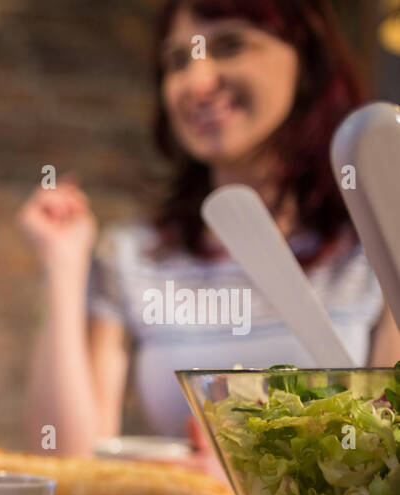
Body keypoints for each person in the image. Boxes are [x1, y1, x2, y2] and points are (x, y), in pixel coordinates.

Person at [20, 0, 400, 459]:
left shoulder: (369, 247)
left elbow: (386, 459)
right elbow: (67, 461)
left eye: (230, 46)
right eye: (178, 60)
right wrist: (63, 267)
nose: (196, 82)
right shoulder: (137, 258)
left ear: (307, 59)